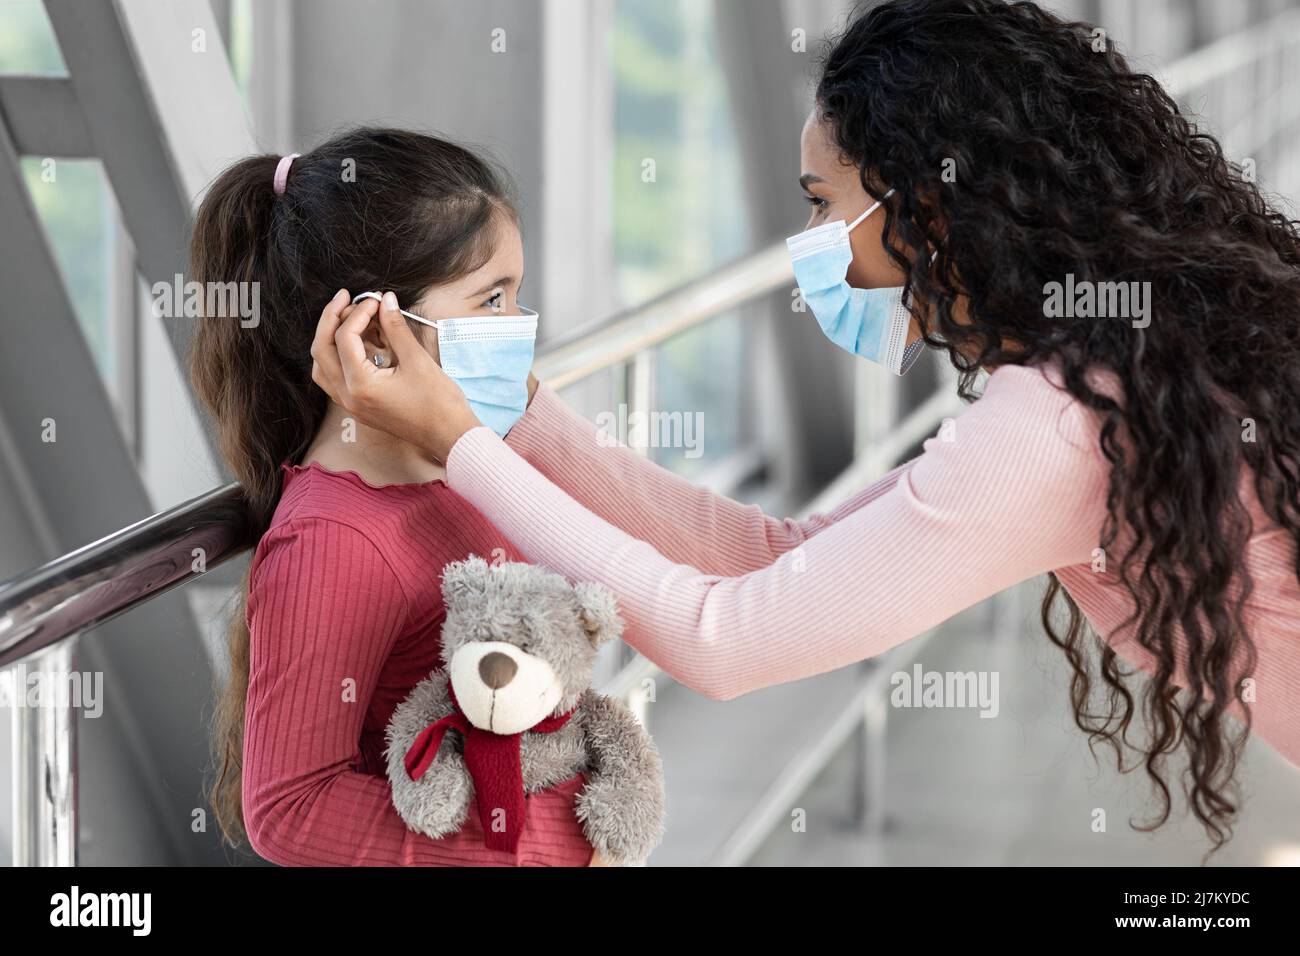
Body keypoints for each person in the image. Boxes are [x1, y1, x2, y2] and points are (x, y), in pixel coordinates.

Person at [310, 0, 1300, 856]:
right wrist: (518, 415)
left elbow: (724, 637)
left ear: (921, 208)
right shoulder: (1126, 352)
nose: (816, 255)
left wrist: (462, 446)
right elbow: (773, 555)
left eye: (824, 208)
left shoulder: (1057, 419)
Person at [190, 128, 602, 865]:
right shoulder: (332, 540)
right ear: (372, 332)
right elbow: (289, 808)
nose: (518, 328)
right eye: (491, 299)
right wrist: (547, 845)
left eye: (517, 293)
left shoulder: (463, 468)